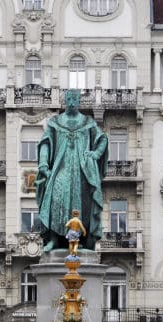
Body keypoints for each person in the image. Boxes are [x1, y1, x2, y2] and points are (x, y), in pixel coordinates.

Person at [36, 88, 108, 252]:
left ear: (79, 101)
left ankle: (78, 240)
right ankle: (54, 239)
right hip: (60, 167)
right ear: (65, 100)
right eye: (69, 99)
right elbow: (45, 143)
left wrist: (96, 153)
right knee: (55, 198)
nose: (71, 102)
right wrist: (43, 165)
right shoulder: (55, 122)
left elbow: (102, 138)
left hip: (82, 171)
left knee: (81, 202)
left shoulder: (88, 122)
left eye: (75, 99)